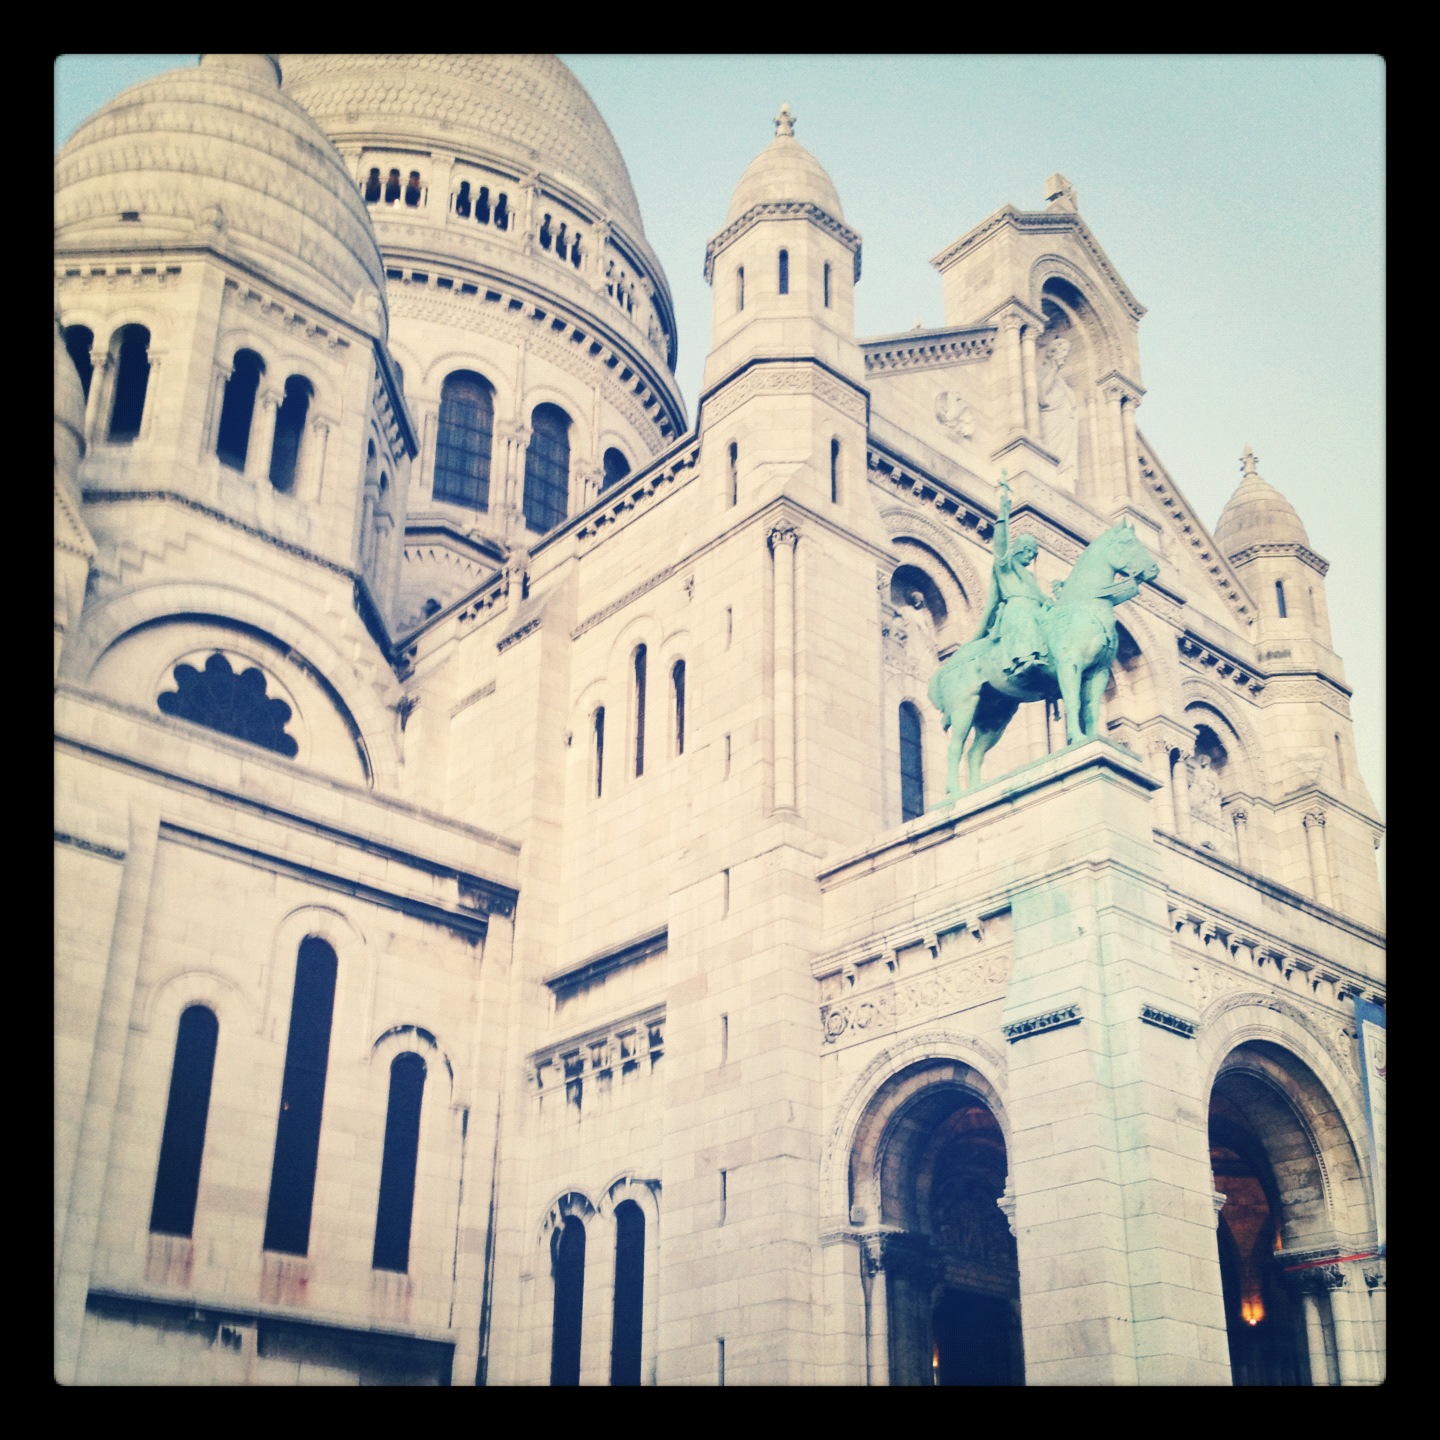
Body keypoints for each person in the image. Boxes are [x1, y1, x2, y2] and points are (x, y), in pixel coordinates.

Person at [975, 474, 1050, 675]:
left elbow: (1041, 599)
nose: (1029, 557)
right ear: (1019, 549)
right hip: (1016, 612)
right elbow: (1000, 545)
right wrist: (1003, 515)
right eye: (1028, 552)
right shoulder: (1005, 567)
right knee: (1025, 615)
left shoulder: (1030, 578)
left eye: (1033, 555)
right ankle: (1023, 659)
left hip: (1034, 612)